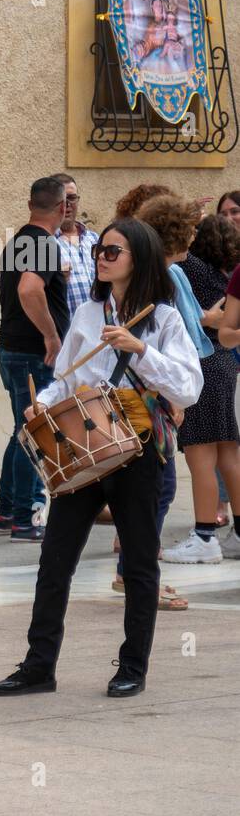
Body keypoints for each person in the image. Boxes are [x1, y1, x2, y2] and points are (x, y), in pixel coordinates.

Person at [0, 219, 203, 699]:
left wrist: (140, 349)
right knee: (54, 560)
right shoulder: (88, 313)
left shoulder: (164, 318)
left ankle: (132, 667)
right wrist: (42, 403)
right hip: (84, 447)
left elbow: (189, 387)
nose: (102, 257)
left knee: (139, 566)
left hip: (137, 451)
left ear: (139, 258)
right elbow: (66, 379)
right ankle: (38, 665)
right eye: (100, 251)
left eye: (113, 251)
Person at [123, 193, 214, 610]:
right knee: (158, 489)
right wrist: (172, 396)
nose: (195, 237)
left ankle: (135, 571)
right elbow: (171, 339)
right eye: (190, 229)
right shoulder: (164, 277)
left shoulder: (146, 272)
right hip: (152, 395)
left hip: (145, 392)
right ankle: (138, 575)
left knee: (148, 490)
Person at [160, 214, 240, 564]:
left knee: (200, 456)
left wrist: (178, 215)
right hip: (225, 363)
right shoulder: (226, 273)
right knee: (228, 455)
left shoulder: (192, 269)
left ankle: (204, 536)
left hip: (203, 363)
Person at [0, 177, 69, 541]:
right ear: (63, 207)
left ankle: (7, 510)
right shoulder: (43, 243)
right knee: (34, 433)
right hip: (32, 355)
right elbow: (29, 288)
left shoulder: (17, 241)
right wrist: (52, 335)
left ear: (29, 204)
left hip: (12, 350)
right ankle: (26, 517)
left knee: (22, 430)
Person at [52, 173, 100, 316]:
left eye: (72, 198)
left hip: (98, 332)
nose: (67, 205)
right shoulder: (41, 242)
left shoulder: (94, 239)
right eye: (61, 199)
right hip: (63, 333)